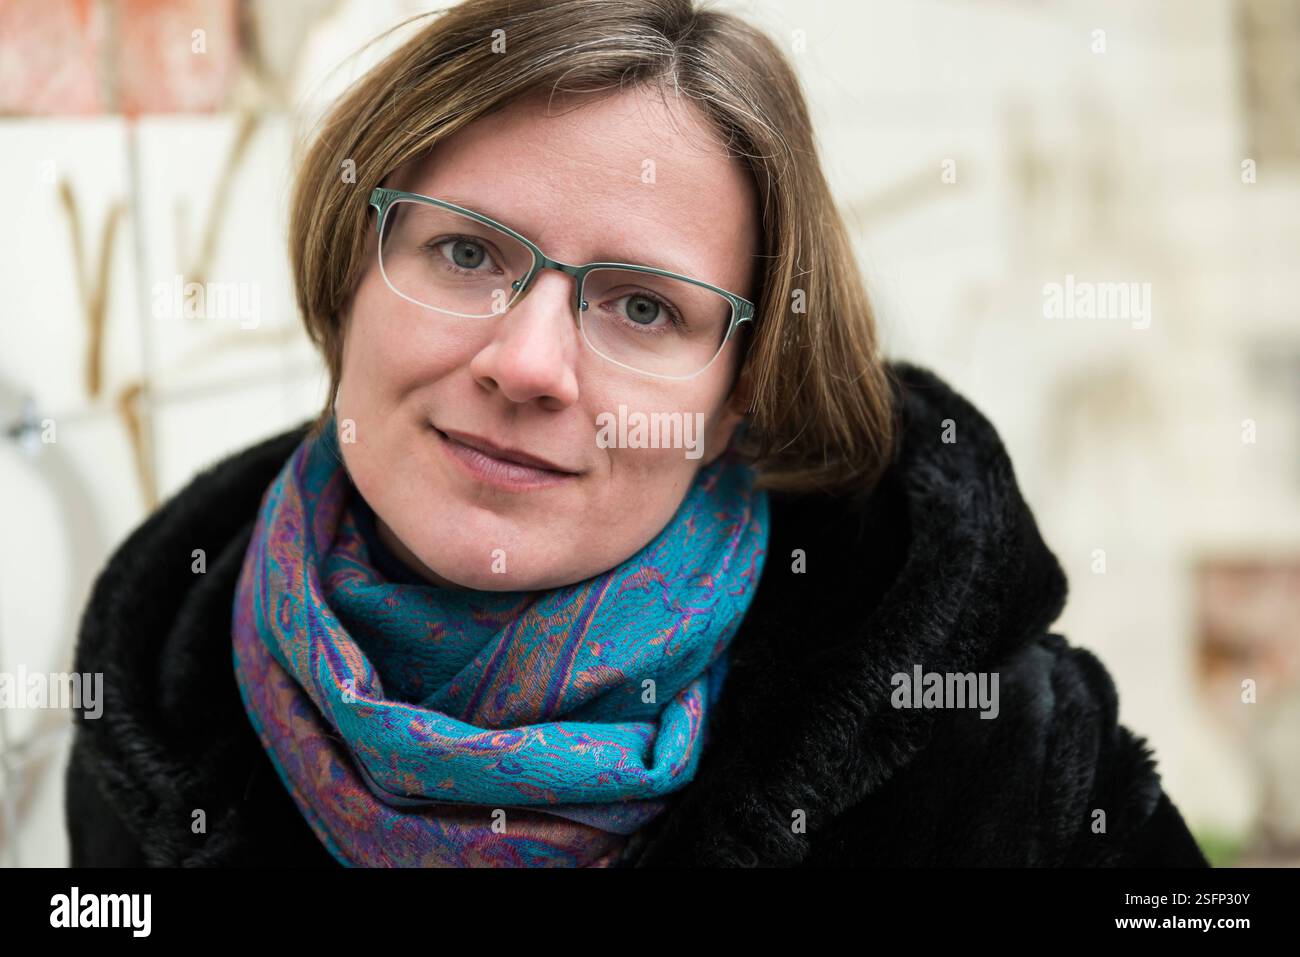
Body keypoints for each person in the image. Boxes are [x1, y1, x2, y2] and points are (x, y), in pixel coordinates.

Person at [64, 0, 1208, 867]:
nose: (525, 365)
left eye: (644, 307)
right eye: (466, 253)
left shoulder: (992, 763)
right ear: (346, 274)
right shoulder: (155, 721)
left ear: (740, 397)